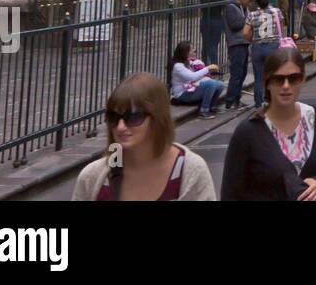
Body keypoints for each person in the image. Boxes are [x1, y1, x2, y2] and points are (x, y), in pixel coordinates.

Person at [74, 73, 215, 200]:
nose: (121, 127)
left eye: (133, 117)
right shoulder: (91, 178)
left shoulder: (191, 172)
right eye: (114, 117)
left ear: (157, 118)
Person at [221, 48, 316, 200]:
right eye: (278, 79)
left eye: (293, 78)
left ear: (303, 79)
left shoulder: (315, 117)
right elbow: (230, 193)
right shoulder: (248, 131)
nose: (286, 86)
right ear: (267, 82)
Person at [245, 0, 282, 109]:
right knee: (273, 75)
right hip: (273, 45)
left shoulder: (251, 14)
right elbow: (280, 24)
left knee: (259, 77)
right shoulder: (276, 12)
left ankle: (258, 103)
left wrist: (252, 39)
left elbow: (245, 32)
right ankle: (272, 99)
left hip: (257, 46)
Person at [168, 41, 224, 117]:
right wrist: (207, 68)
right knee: (211, 84)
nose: (194, 50)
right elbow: (192, 77)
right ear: (185, 52)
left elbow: (196, 74)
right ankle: (204, 110)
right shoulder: (178, 66)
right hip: (182, 94)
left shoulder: (188, 62)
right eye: (192, 49)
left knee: (219, 84)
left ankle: (212, 106)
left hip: (191, 89)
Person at [221, 0, 253, 110]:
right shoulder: (231, 7)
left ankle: (237, 99)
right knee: (236, 73)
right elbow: (234, 25)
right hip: (236, 44)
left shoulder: (244, 9)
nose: (249, 4)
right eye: (249, 1)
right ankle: (230, 101)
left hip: (243, 43)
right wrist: (247, 20)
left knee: (243, 72)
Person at [200, 0, 227, 67]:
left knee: (205, 44)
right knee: (213, 44)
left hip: (205, 21)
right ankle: (213, 65)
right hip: (216, 21)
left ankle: (204, 64)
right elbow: (224, 9)